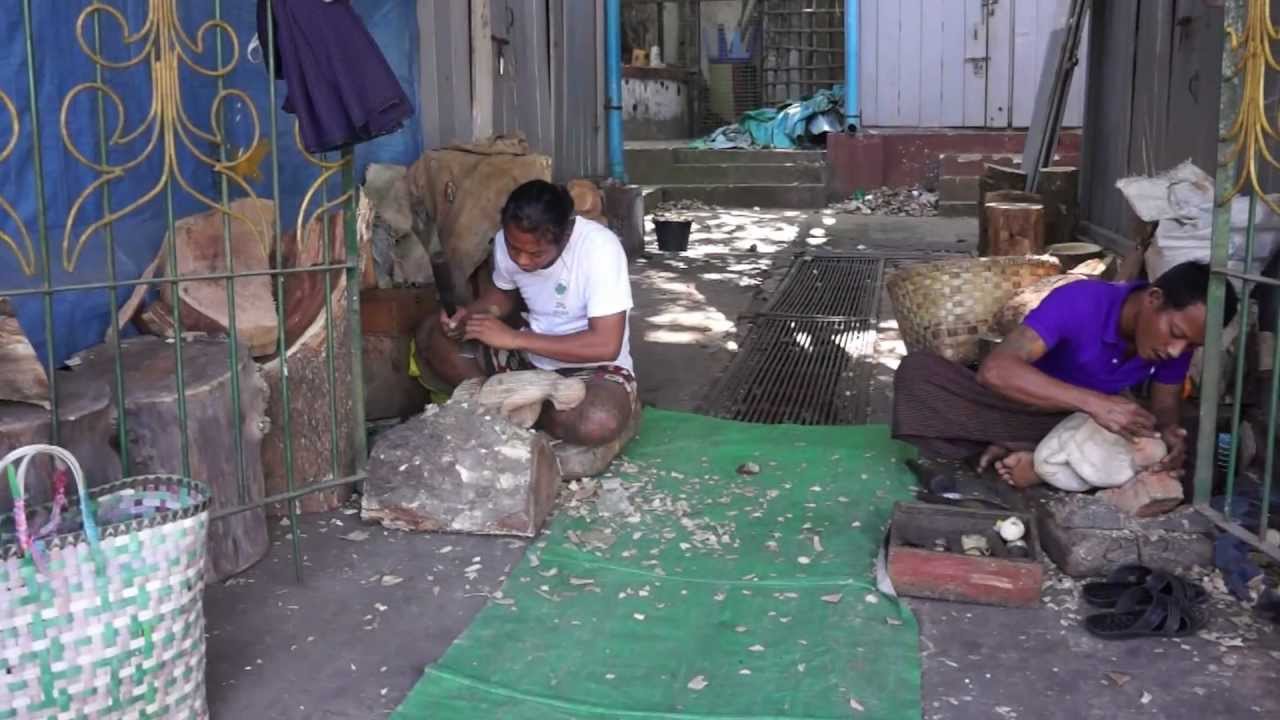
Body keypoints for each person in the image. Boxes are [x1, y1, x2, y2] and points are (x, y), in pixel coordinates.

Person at [892, 261, 1239, 488]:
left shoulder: (1177, 346)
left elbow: (1165, 406)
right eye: (1176, 333)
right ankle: (1045, 458)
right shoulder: (1081, 301)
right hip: (1021, 404)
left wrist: (1169, 433)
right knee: (918, 374)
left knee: (1204, 444)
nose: (1177, 351)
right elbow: (996, 371)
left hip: (1085, 427)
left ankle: (1029, 457)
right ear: (1153, 298)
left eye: (1191, 345)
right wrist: (1095, 403)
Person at [415, 179, 636, 449]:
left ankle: (502, 406)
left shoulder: (599, 249)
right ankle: (517, 403)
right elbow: (503, 295)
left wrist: (515, 339)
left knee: (597, 420)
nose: (521, 260)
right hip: (527, 366)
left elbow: (606, 345)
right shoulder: (505, 240)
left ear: (565, 236)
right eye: (514, 249)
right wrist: (469, 316)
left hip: (593, 370)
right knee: (432, 335)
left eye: (535, 254)